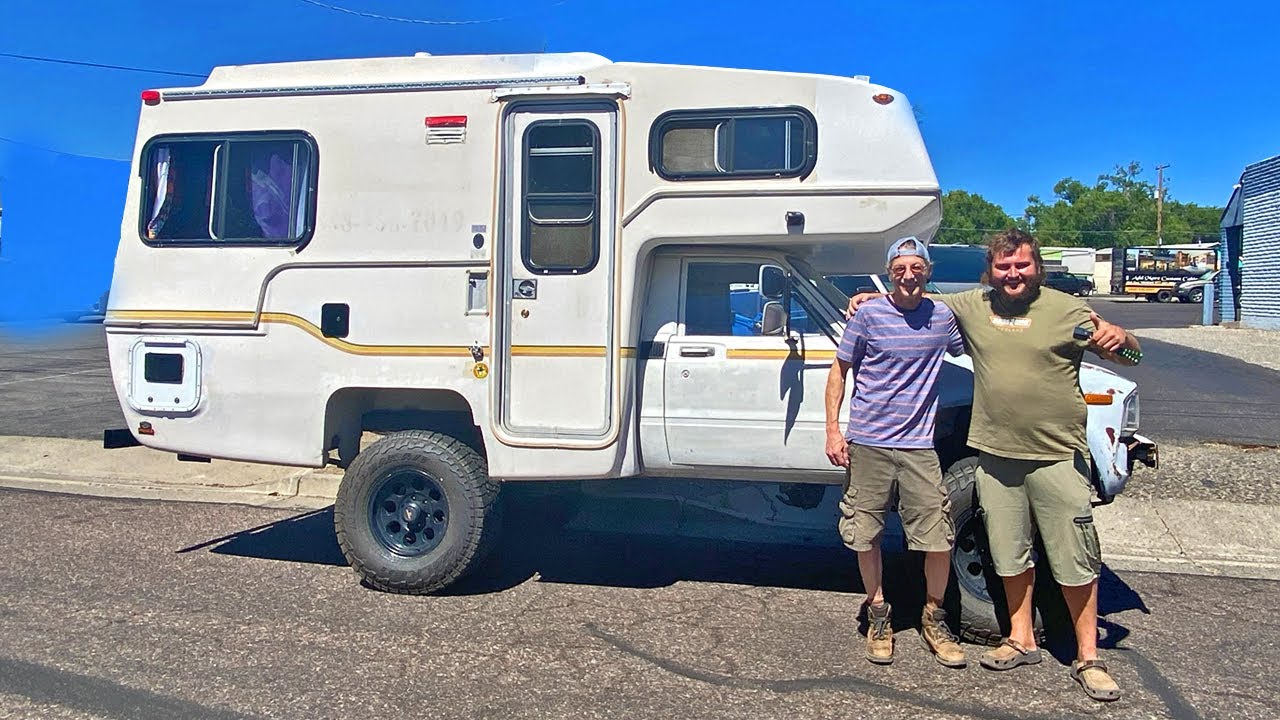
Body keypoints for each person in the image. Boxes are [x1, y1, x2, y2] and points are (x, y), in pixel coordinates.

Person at [846, 229, 1140, 701]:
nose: (1013, 274)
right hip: (996, 454)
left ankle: (1090, 657)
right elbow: (913, 292)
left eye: (1021, 265)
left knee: (1074, 558)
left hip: (1055, 454)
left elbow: (1131, 354)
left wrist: (1121, 337)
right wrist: (867, 296)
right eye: (1003, 267)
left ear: (1037, 266)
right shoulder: (973, 305)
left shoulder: (1066, 308)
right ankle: (1020, 638)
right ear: (992, 271)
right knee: (1008, 554)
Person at [824, 236, 968, 668]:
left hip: (919, 445)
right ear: (890, 273)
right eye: (899, 269)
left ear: (928, 270)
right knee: (864, 532)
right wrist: (834, 430)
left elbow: (977, 334)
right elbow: (839, 370)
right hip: (868, 441)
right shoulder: (867, 314)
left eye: (916, 267)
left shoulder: (942, 317)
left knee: (938, 537)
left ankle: (933, 617)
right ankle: (879, 612)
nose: (908, 275)